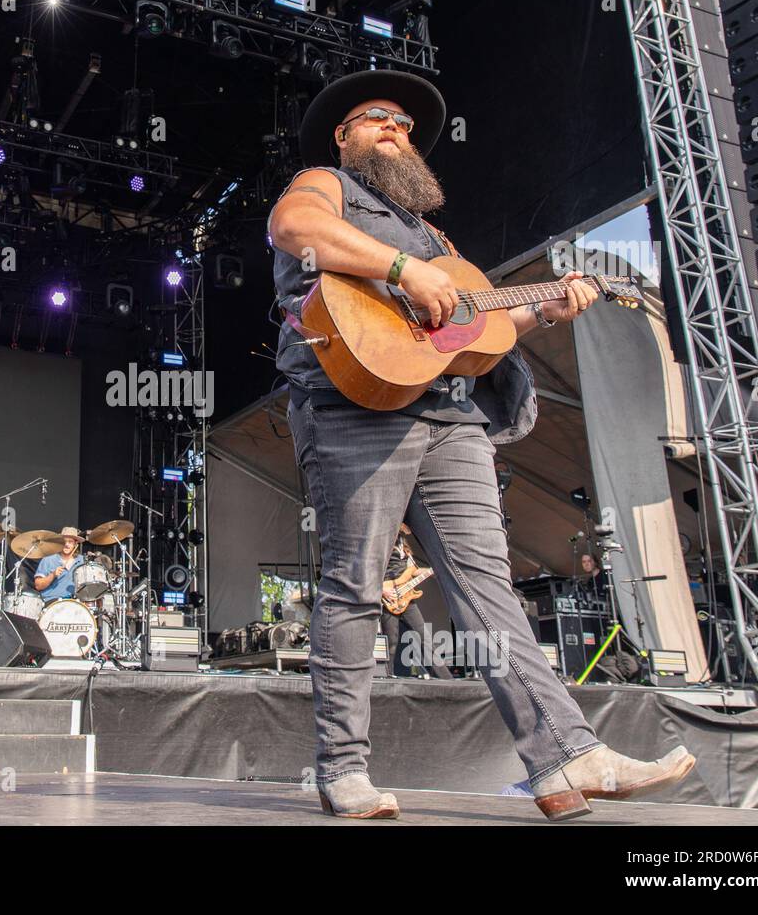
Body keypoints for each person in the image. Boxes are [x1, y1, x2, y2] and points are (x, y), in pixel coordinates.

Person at [269, 68, 694, 821]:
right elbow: (292, 232)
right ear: (344, 136)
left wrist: (548, 311)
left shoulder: (438, 239)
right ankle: (342, 770)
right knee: (355, 583)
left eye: (403, 122)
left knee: (488, 587)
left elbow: (474, 337)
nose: (394, 127)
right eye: (376, 119)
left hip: (450, 414)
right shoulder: (327, 186)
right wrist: (401, 268)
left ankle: (567, 758)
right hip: (354, 402)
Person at [379, 526, 452, 679]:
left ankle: (446, 680)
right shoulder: (382, 541)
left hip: (407, 598)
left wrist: (433, 571)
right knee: (391, 642)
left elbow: (413, 571)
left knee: (425, 639)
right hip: (390, 597)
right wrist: (381, 590)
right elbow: (371, 570)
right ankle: (386, 678)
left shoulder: (403, 544)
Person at [32, 527, 85, 603]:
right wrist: (52, 575)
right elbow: (38, 586)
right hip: (52, 601)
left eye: (70, 542)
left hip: (75, 601)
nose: (67, 544)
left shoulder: (81, 560)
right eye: (64, 541)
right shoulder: (48, 559)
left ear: (76, 544)